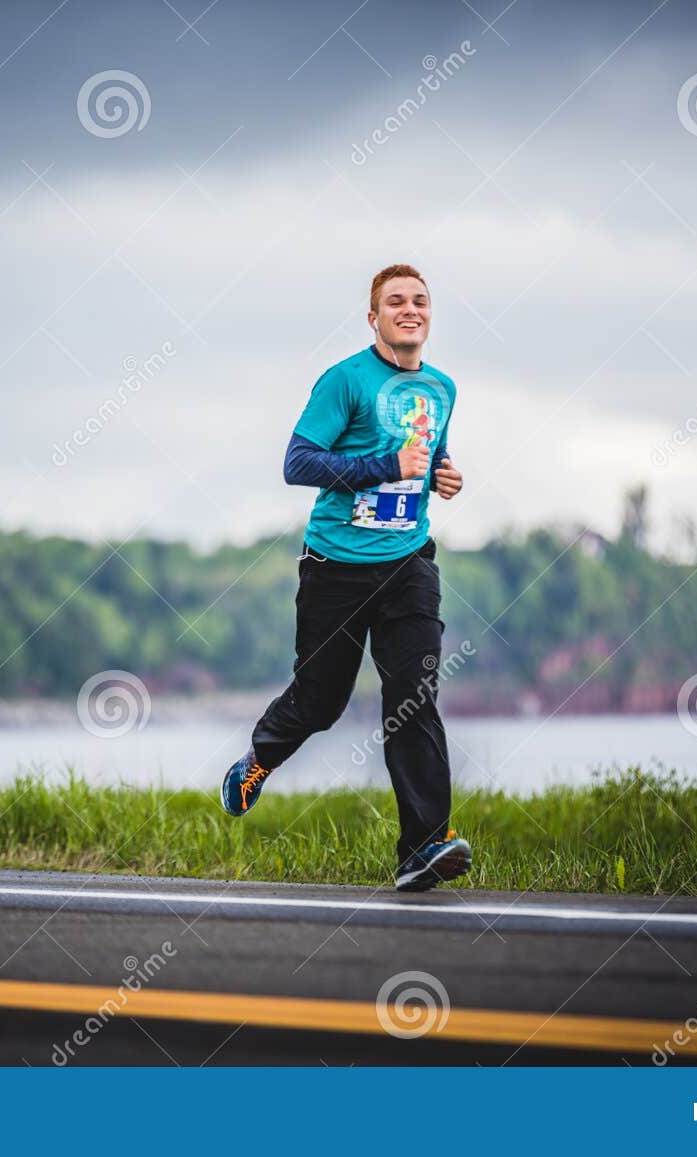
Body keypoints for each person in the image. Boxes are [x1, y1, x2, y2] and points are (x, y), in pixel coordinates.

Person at [219, 263, 470, 892]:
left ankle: (423, 848)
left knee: (413, 697)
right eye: (395, 302)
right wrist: (386, 463)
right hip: (335, 567)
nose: (409, 310)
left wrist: (442, 473)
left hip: (409, 564)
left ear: (430, 314)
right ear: (374, 318)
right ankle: (260, 759)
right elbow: (297, 462)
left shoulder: (442, 388)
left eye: (419, 301)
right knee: (322, 701)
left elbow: (426, 453)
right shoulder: (345, 381)